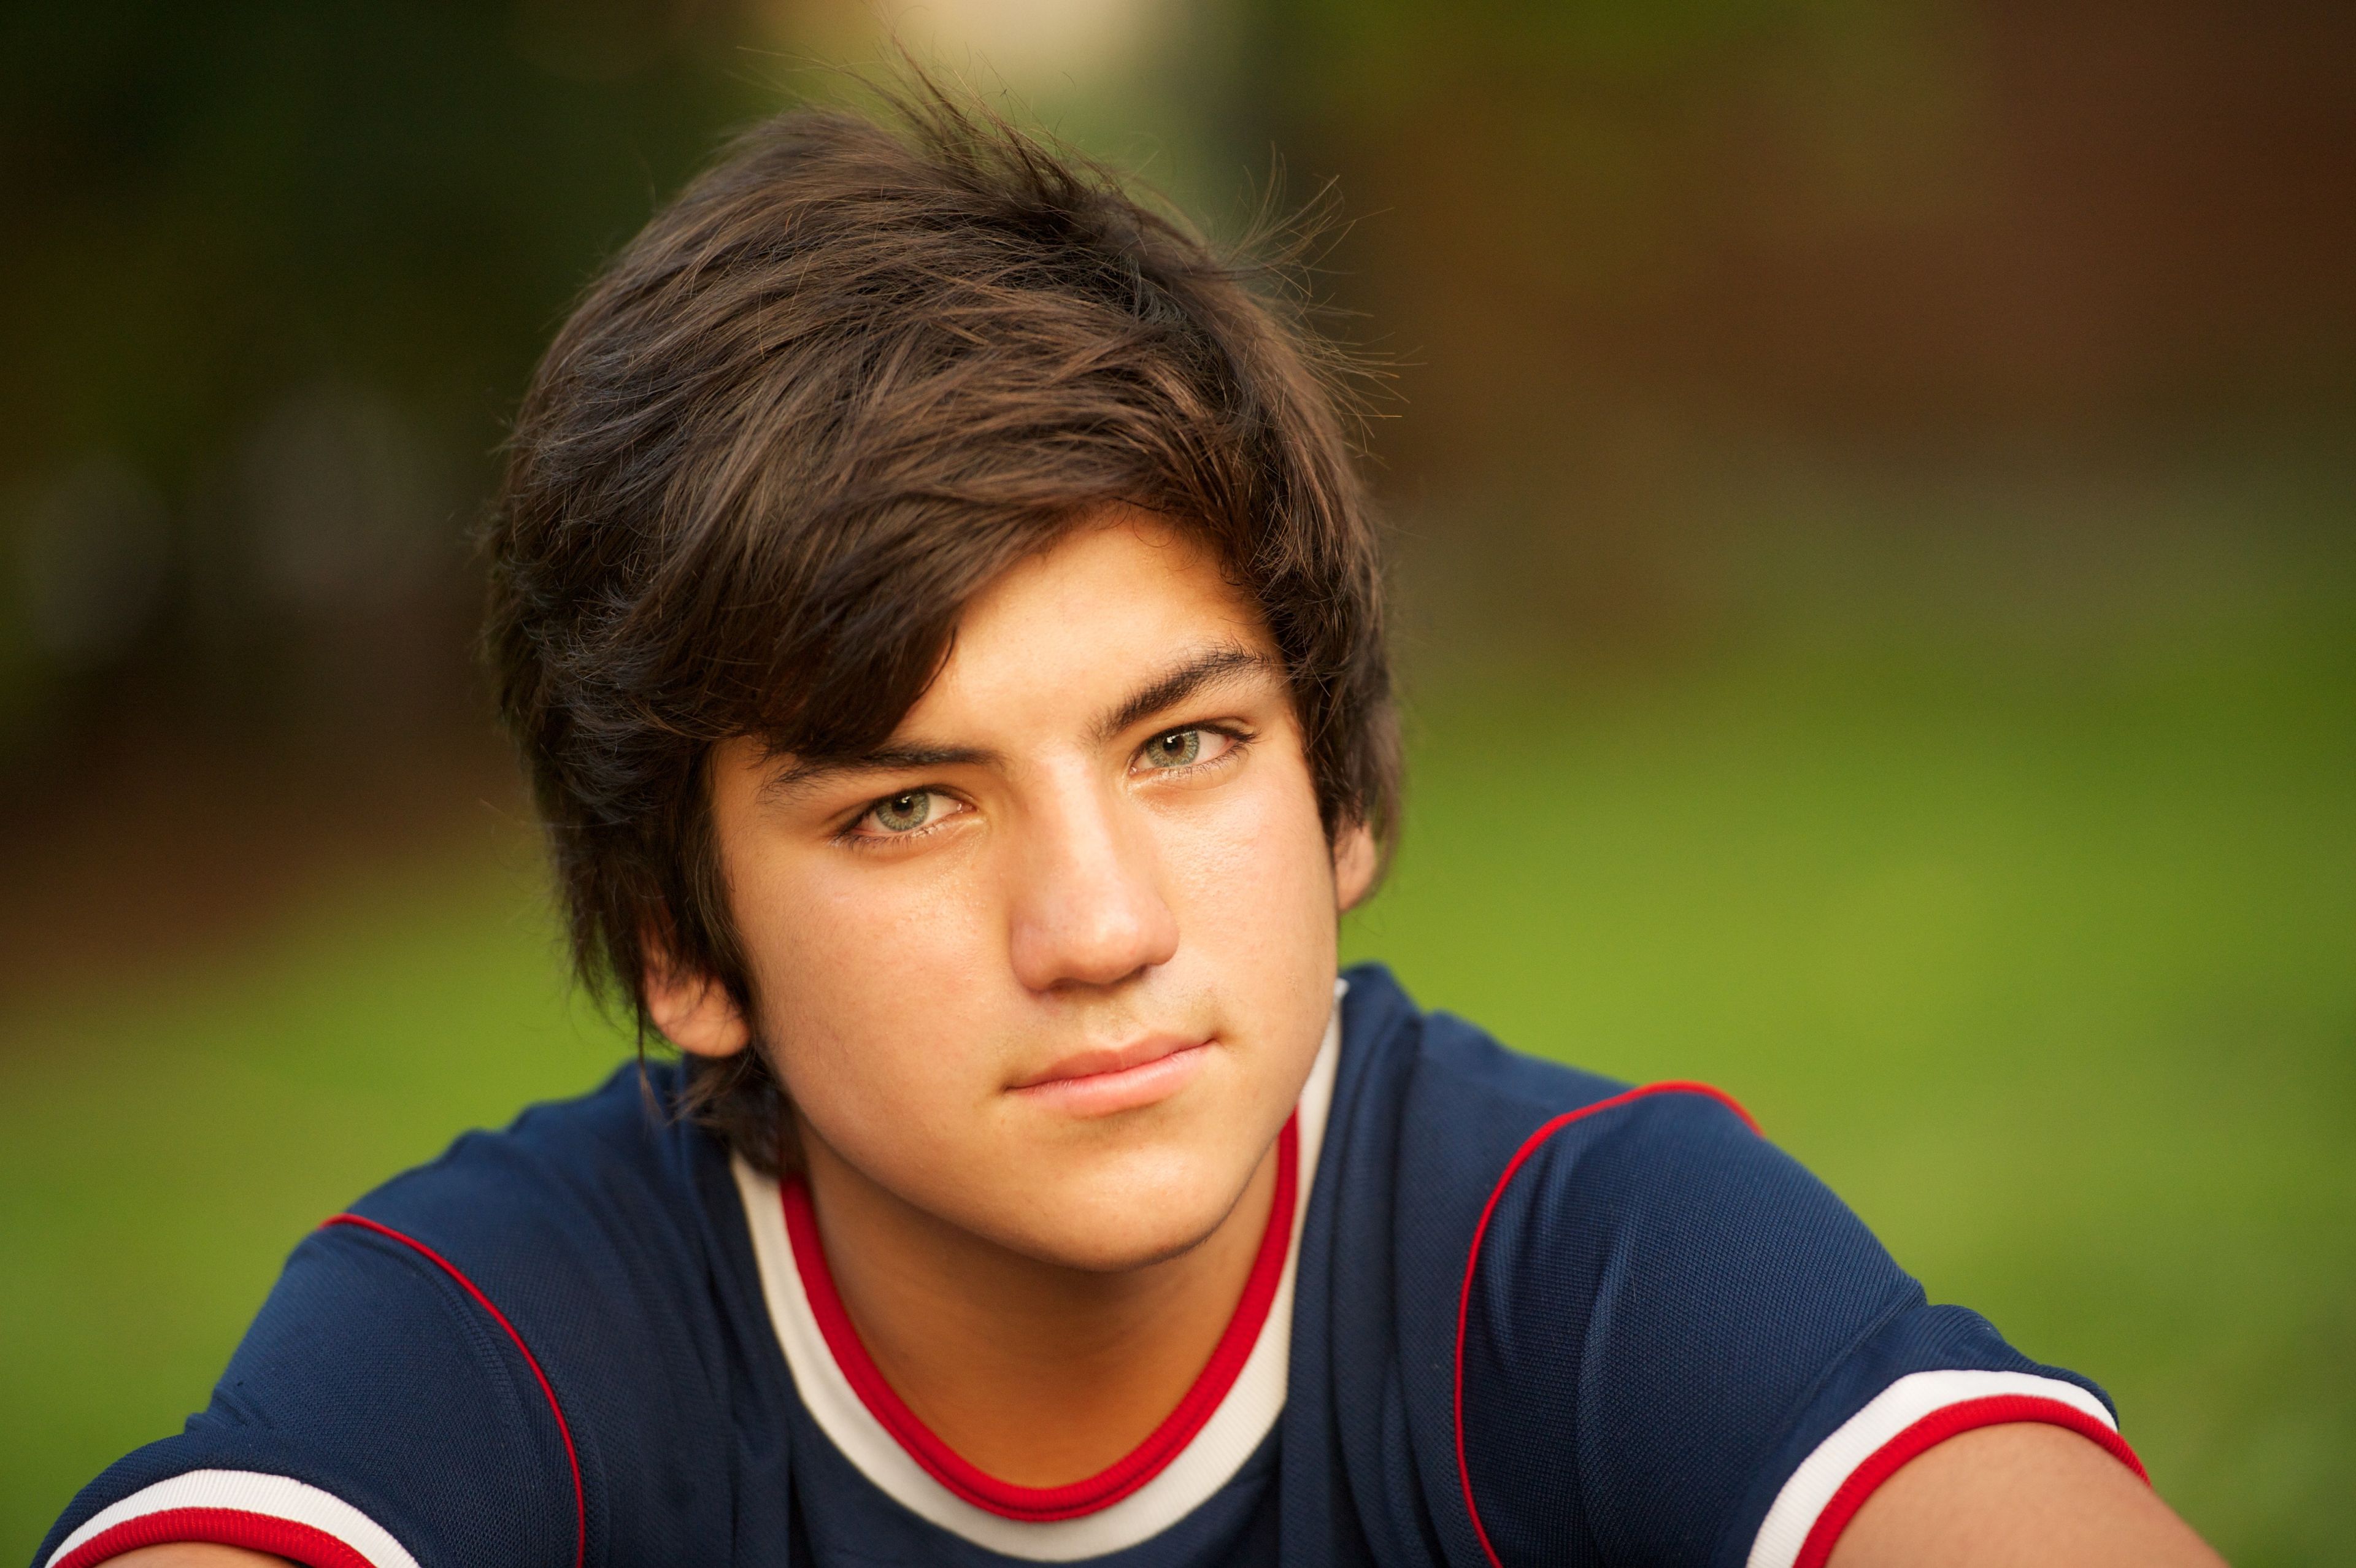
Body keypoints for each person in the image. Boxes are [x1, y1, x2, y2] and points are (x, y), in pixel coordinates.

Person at [38, 85, 2223, 1568]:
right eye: (908, 804)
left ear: (1338, 785)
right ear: (678, 936)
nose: (1096, 925)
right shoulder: (512, 1321)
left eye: (1181, 746)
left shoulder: (1574, 1248)